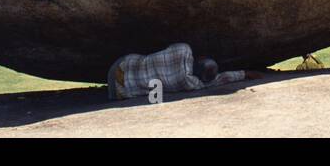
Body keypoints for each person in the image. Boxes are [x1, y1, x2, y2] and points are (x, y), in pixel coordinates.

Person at [106, 42, 260, 101]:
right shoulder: (192, 83)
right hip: (122, 91)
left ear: (199, 58)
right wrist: (244, 74)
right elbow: (220, 79)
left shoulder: (183, 49)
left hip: (122, 65)